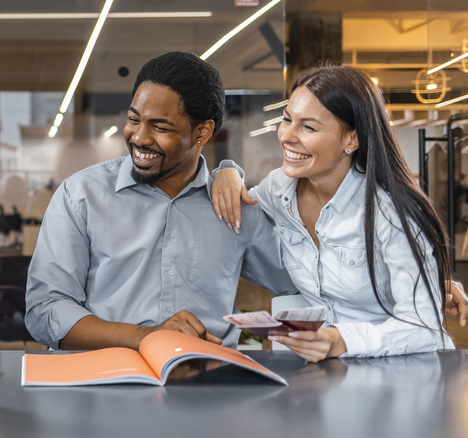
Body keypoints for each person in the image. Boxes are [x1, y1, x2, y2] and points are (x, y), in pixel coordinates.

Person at [24, 52, 296, 351]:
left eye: (160, 127)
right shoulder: (81, 195)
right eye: (133, 119)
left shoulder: (234, 207)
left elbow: (302, 283)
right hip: (102, 382)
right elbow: (45, 311)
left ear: (201, 132)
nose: (139, 137)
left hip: (205, 382)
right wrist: (147, 337)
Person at [210, 64, 461, 361]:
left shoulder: (390, 210)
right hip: (331, 373)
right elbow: (241, 207)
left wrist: (339, 339)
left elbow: (424, 327)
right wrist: (227, 172)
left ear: (351, 140)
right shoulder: (278, 188)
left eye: (308, 127)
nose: (287, 136)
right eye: (287, 120)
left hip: (406, 372)